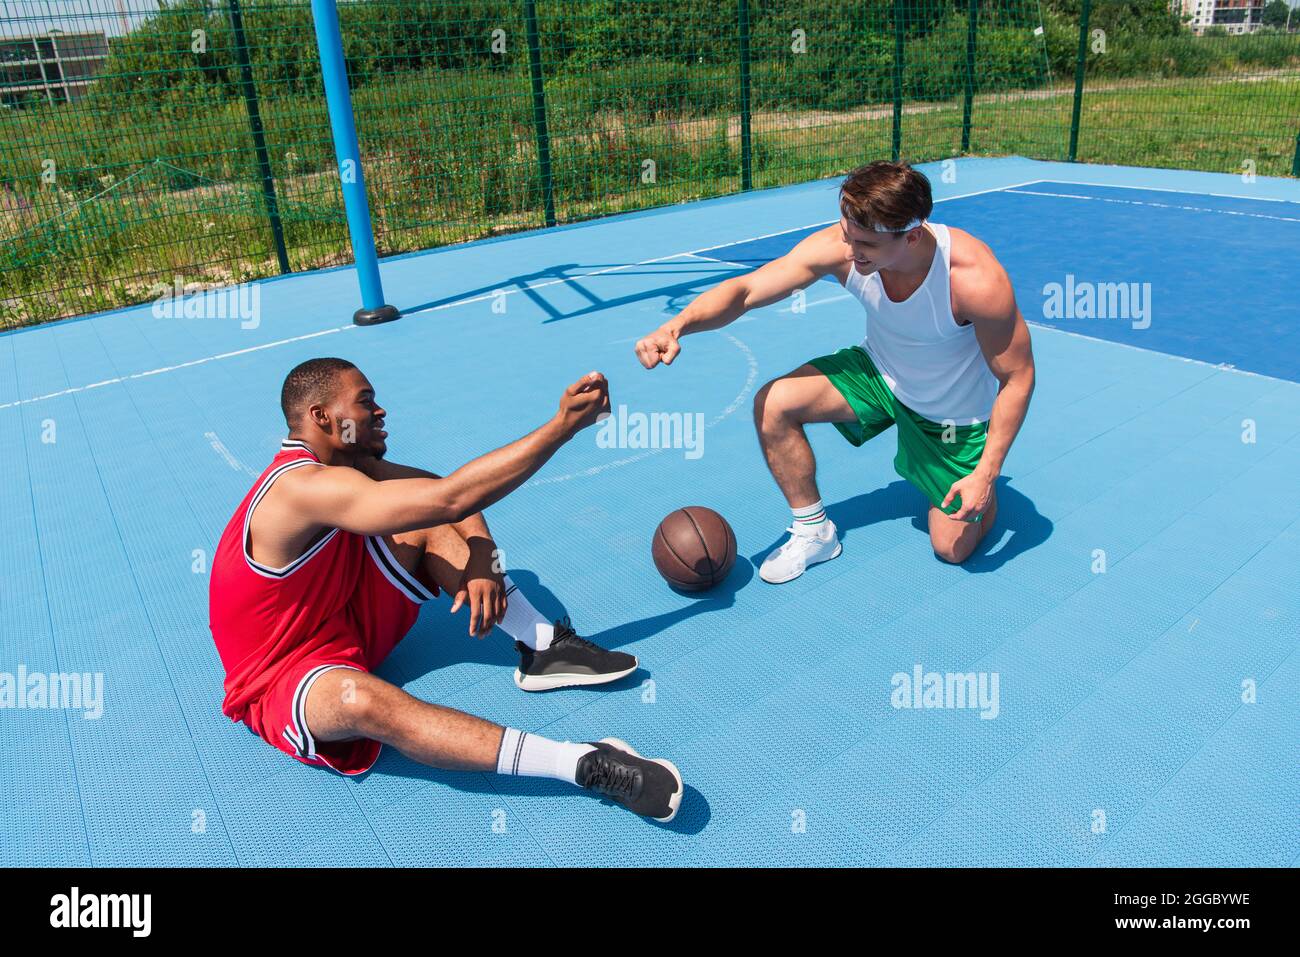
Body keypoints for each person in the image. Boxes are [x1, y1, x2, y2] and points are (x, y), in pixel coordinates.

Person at [208, 358, 683, 821]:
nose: (380, 411)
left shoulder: (347, 463)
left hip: (341, 622)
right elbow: (451, 496)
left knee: (427, 524)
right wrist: (562, 427)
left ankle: (543, 647)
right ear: (321, 417)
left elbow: (434, 489)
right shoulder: (300, 487)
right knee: (364, 702)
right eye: (365, 400)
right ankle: (581, 763)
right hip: (279, 673)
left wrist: (482, 552)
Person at [634, 160, 1035, 581]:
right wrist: (677, 324)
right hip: (879, 374)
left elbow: (1017, 377)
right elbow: (748, 290)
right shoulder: (846, 247)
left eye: (864, 244)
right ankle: (814, 532)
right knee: (774, 402)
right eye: (846, 234)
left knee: (951, 550)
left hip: (949, 415)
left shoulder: (973, 281)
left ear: (912, 236)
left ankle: (981, 495)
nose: (850, 250)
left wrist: (986, 474)